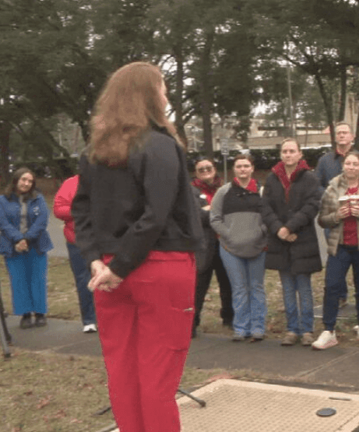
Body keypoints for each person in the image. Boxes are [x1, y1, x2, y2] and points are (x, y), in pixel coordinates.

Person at [71, 61, 203, 432]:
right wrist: (120, 265)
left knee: (123, 372)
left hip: (109, 270)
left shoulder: (95, 151)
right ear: (147, 95)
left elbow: (80, 211)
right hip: (159, 265)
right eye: (162, 88)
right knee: (158, 376)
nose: (166, 95)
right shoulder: (160, 145)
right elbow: (156, 214)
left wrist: (97, 260)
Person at [313, 151, 359, 350]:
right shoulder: (332, 187)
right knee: (332, 286)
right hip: (339, 245)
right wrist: (337, 216)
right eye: (348, 163)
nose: (351, 167)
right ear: (343, 166)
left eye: (355, 164)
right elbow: (322, 220)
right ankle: (328, 330)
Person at [262, 138, 323, 347]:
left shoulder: (310, 178)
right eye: (285, 151)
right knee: (287, 288)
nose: (288, 154)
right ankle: (291, 329)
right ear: (281, 154)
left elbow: (312, 206)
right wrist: (279, 229)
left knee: (304, 288)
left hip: (302, 239)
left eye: (292, 151)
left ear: (299, 154)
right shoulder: (272, 179)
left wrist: (290, 227)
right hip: (280, 241)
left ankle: (307, 330)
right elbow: (265, 207)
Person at [315, 122, 359, 311]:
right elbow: (317, 185)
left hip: (358, 218)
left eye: (345, 132)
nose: (341, 135)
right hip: (334, 217)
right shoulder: (324, 161)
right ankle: (340, 296)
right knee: (336, 262)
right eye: (338, 133)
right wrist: (332, 198)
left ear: (352, 136)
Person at [210, 154, 269, 342]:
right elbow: (215, 219)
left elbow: (269, 217)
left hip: (258, 247)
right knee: (239, 288)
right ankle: (241, 328)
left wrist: (260, 232)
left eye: (246, 166)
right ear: (234, 169)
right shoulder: (223, 192)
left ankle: (258, 327)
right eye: (239, 166)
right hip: (230, 249)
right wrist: (228, 235)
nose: (242, 169)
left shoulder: (262, 191)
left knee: (256, 287)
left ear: (252, 168)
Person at [0, 168, 53, 329]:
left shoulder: (38, 198)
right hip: (13, 247)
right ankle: (25, 314)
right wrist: (18, 239)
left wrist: (27, 239)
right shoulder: (3, 200)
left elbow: (42, 221)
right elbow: (3, 223)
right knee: (18, 280)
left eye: (30, 181)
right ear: (16, 180)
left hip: (36, 245)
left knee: (38, 279)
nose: (27, 183)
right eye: (24, 179)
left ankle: (40, 313)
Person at [190, 157, 233, 338]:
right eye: (201, 169)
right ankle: (192, 323)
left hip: (224, 243)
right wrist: (216, 212)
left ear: (215, 169)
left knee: (227, 284)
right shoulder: (190, 191)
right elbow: (195, 217)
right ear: (196, 173)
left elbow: (231, 214)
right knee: (198, 286)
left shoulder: (225, 188)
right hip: (203, 246)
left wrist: (209, 209)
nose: (205, 171)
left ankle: (229, 319)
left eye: (208, 167)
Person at [53, 175, 97, 333]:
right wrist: (80, 211)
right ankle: (89, 319)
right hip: (77, 241)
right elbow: (58, 209)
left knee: (107, 280)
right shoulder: (70, 183)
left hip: (104, 241)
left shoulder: (108, 180)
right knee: (83, 280)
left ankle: (108, 318)